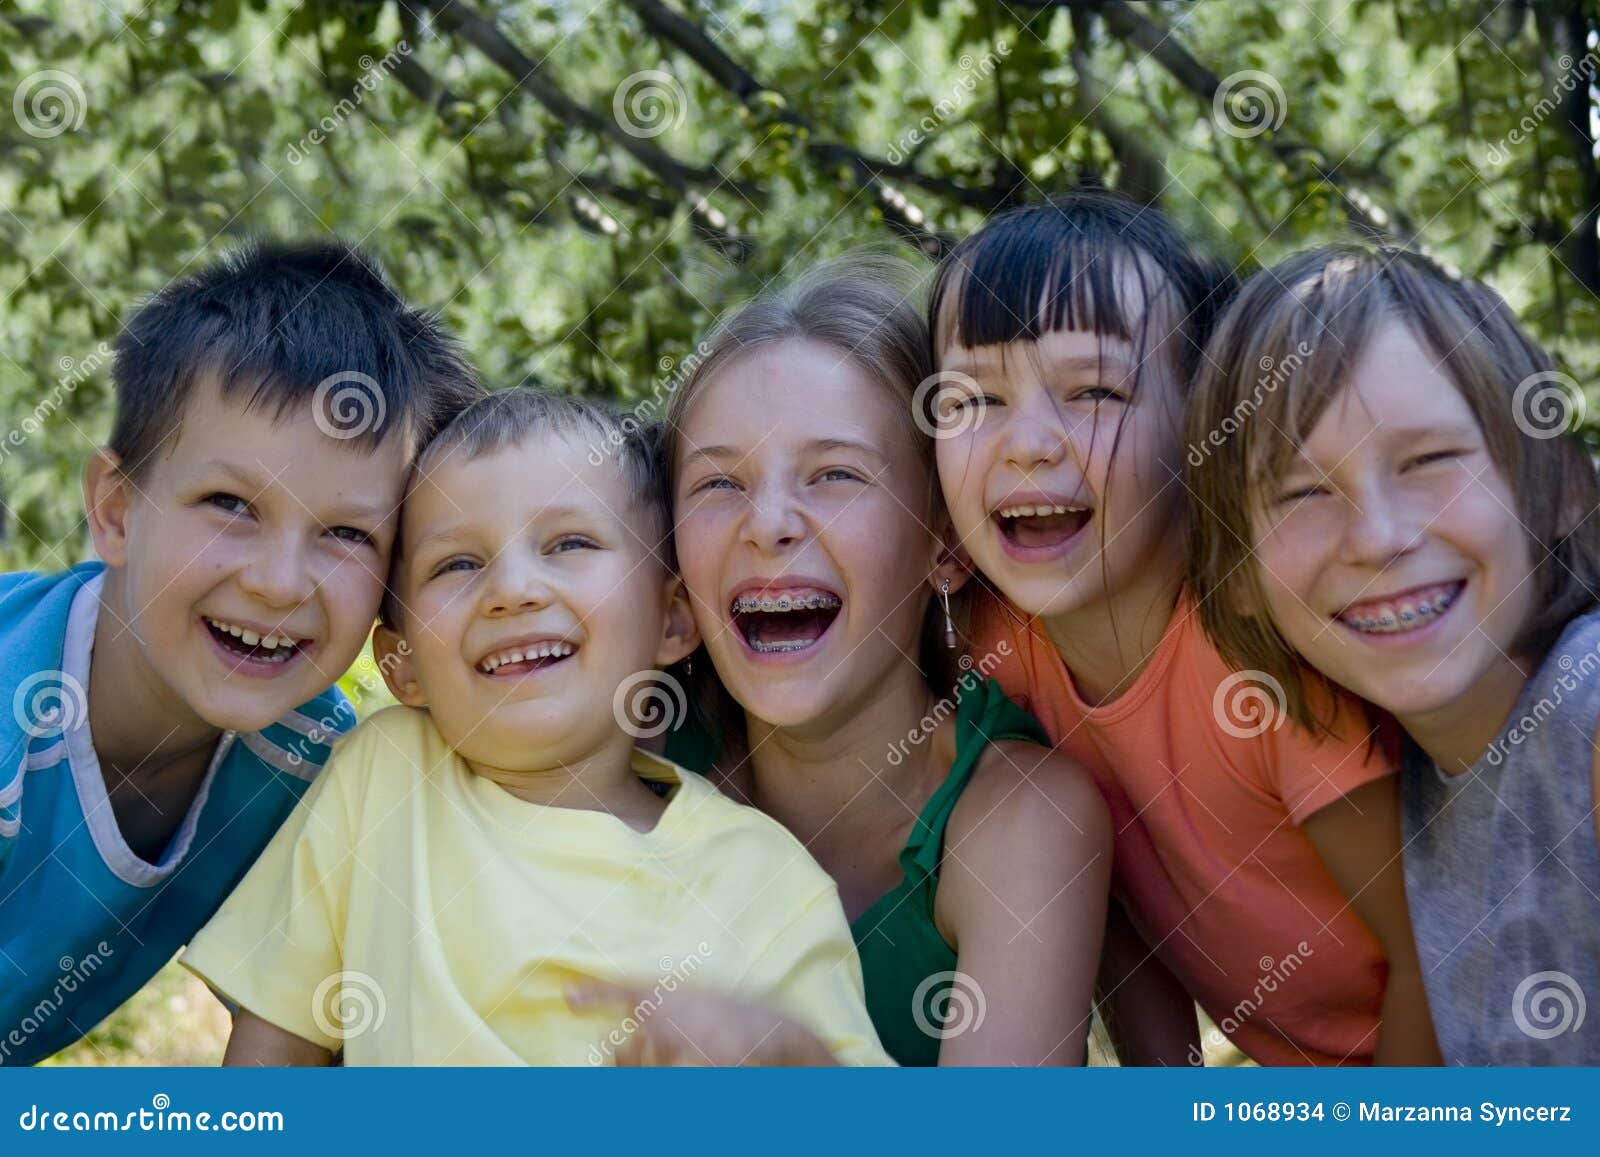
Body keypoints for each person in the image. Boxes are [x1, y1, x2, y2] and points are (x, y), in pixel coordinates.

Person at [183, 388, 891, 1066]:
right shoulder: (383, 777)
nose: (513, 589)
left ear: (673, 618)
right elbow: (272, 1054)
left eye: (569, 544)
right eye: (458, 563)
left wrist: (787, 1054)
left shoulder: (762, 878)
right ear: (401, 664)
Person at [929, 193, 1438, 1065]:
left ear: (1200, 419)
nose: (1029, 443)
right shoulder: (992, 647)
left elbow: (1435, 948)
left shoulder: (1262, 658)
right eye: (975, 399)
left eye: (1094, 390)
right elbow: (1117, 899)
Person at [0, 239, 479, 1065]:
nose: (278, 581)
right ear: (116, 510)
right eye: (229, 503)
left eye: (346, 533)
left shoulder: (314, 759)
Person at [662, 256, 1111, 1065]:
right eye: (719, 483)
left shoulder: (1019, 819)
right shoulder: (633, 768)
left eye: (835, 474)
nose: (768, 524)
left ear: (944, 542)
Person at [1185, 246, 1600, 1064]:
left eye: (1429, 461)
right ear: (1237, 577)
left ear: (1560, 489)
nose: (1377, 536)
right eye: (1304, 492)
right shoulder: (1406, 780)